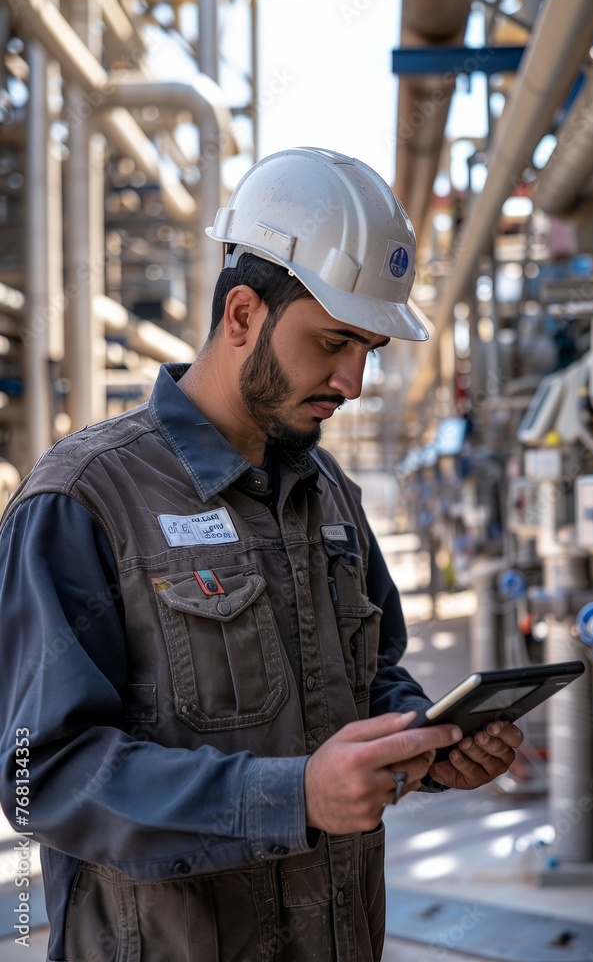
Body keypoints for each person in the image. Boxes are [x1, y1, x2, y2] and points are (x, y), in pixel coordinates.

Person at [0, 148, 522, 962]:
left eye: (368, 352)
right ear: (241, 315)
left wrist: (426, 742)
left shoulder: (328, 491)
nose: (352, 381)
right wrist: (289, 795)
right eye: (333, 342)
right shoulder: (85, 499)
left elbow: (376, 669)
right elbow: (39, 779)